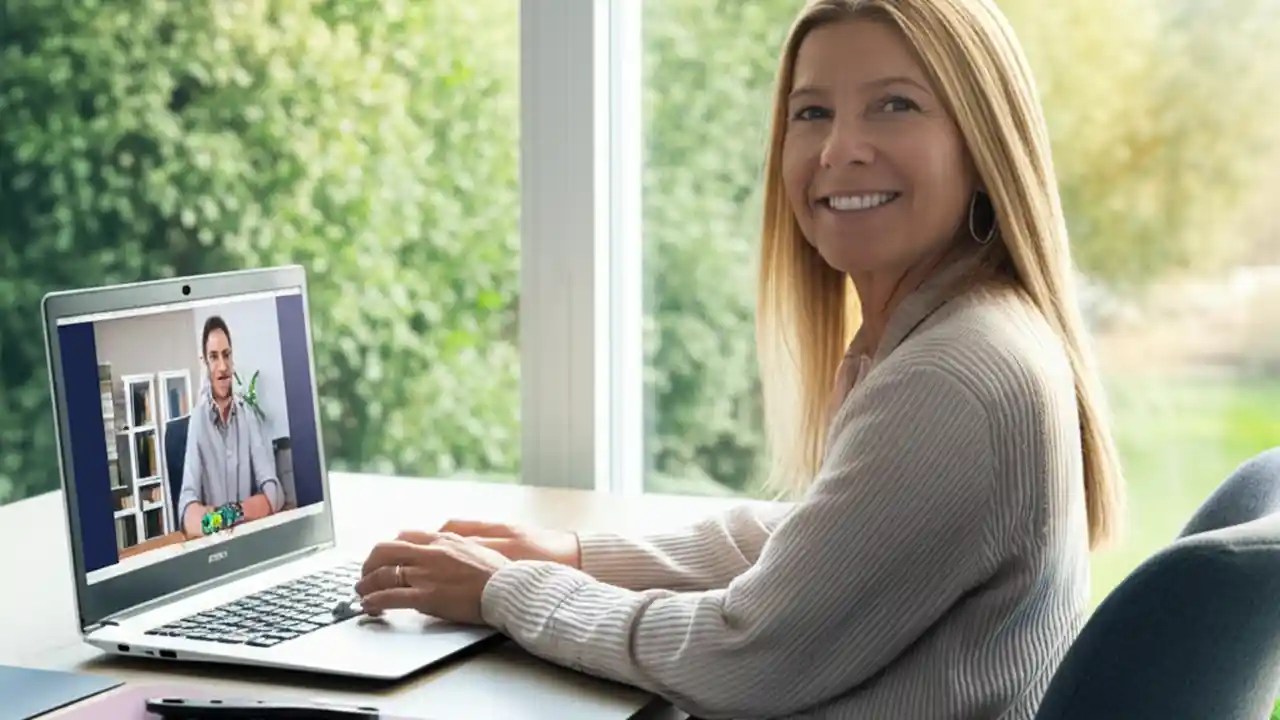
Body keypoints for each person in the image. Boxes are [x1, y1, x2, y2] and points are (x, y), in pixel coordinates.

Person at [354, 0, 1126, 717]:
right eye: (811, 112)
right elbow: (817, 543)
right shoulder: (963, 331)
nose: (840, 150)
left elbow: (744, 655)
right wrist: (579, 555)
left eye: (895, 105)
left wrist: (507, 590)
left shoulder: (950, 380)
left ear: (983, 143)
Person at [177, 315, 284, 539]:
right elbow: (187, 510)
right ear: (205, 363)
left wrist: (232, 514)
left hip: (246, 540)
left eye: (226, 355)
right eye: (214, 357)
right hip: (214, 548)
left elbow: (273, 492)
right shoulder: (197, 421)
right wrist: (216, 521)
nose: (223, 366)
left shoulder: (248, 415)